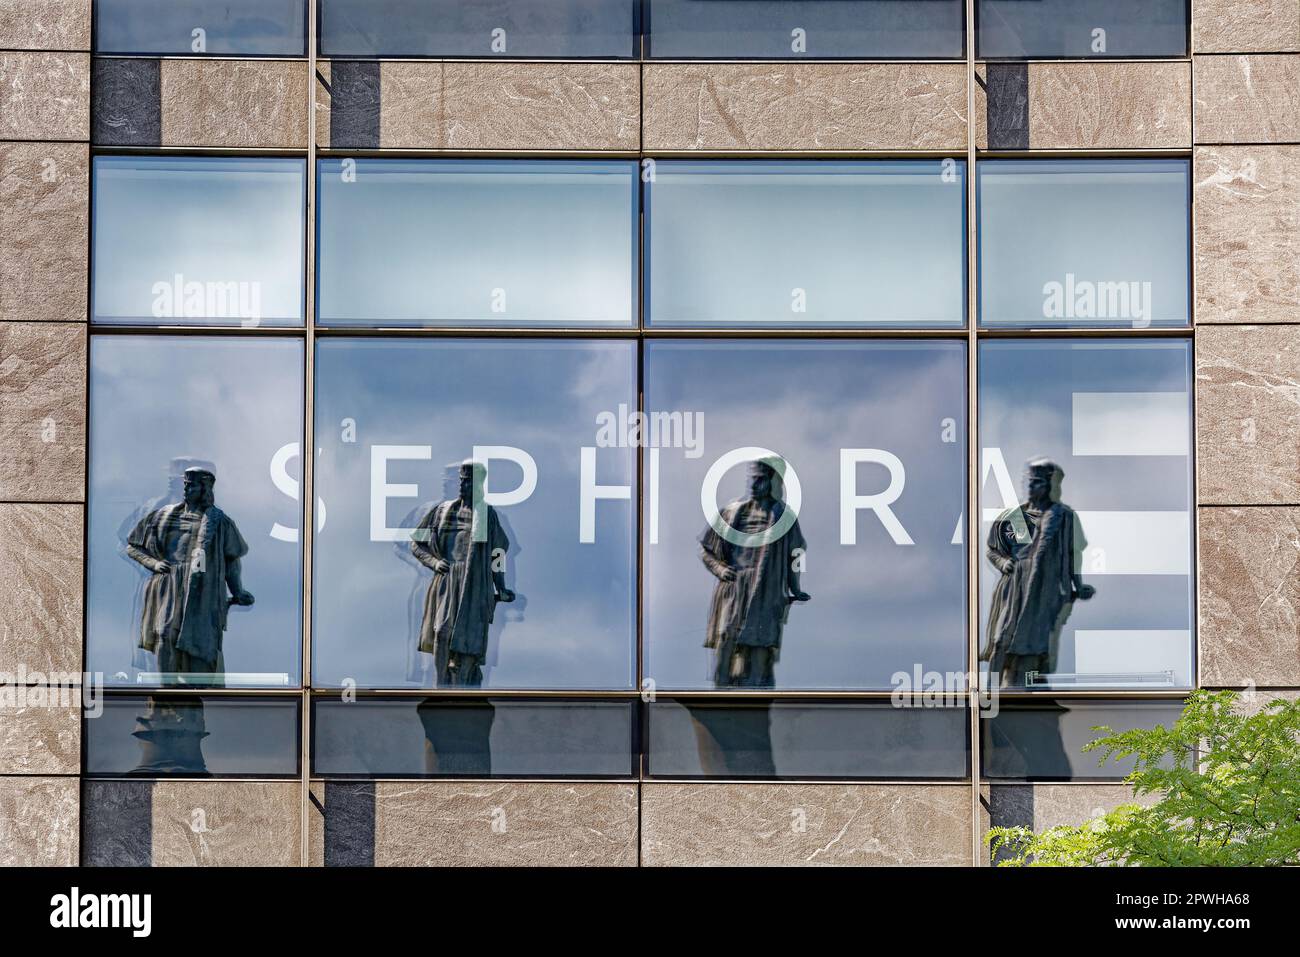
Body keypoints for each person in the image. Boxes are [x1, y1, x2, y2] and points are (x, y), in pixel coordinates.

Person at [125, 466, 254, 684]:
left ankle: (192, 693)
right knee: (165, 634)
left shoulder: (219, 521)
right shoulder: (163, 516)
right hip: (168, 585)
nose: (187, 490)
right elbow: (132, 546)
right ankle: (167, 693)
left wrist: (238, 590)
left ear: (204, 489)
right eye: (186, 485)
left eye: (192, 486)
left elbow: (232, 559)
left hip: (202, 589)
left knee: (200, 641)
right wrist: (153, 563)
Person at [982, 457, 1095, 688]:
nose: (1031, 488)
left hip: (1044, 589)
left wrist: (1078, 584)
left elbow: (1072, 555)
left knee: (1034, 642)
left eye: (1037, 483)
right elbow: (993, 551)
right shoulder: (1014, 517)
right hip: (1015, 588)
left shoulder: (1061, 516)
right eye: (1028, 483)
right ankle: (990, 690)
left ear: (1048, 485)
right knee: (1002, 637)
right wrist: (1003, 563)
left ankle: (1024, 685)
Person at [699, 458, 810, 688]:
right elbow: (706, 551)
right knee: (726, 636)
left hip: (765, 590)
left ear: (770, 482)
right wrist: (720, 569)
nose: (754, 484)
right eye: (752, 479)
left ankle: (756, 695)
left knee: (760, 643)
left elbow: (795, 554)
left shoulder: (783, 517)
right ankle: (719, 693)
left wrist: (795, 588)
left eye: (760, 480)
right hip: (734, 587)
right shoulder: (731, 513)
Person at [411, 460, 516, 687]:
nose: (462, 486)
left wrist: (501, 587)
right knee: (441, 631)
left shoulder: (486, 515)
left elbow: (497, 553)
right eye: (461, 481)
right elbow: (416, 544)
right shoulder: (441, 510)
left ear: (479, 485)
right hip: (447, 581)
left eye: (468, 482)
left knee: (469, 641)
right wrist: (434, 562)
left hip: (474, 583)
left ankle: (463, 685)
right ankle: (439, 686)